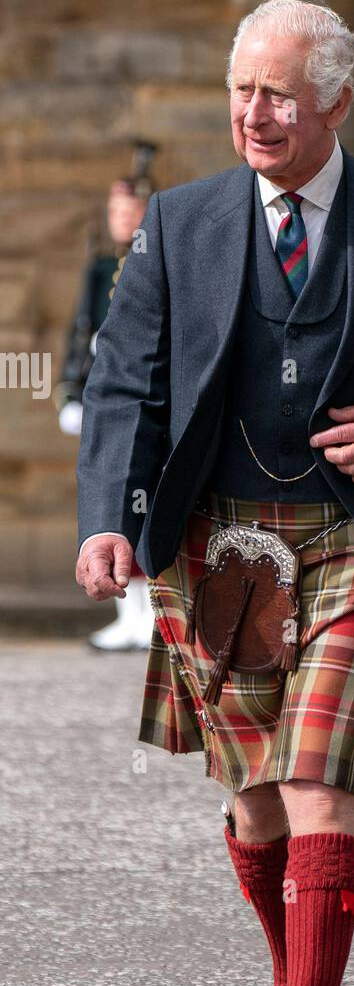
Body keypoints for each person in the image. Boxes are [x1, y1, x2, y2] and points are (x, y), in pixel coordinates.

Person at [75, 0, 354, 986]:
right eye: (242, 89)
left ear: (335, 100)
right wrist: (111, 515)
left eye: (280, 92)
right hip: (221, 543)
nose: (255, 111)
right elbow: (124, 384)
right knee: (256, 797)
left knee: (316, 773)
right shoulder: (179, 222)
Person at [57, 156, 157, 650]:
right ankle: (128, 613)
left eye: (131, 207)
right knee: (109, 500)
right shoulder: (101, 267)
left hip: (143, 400)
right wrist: (69, 394)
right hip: (104, 398)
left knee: (142, 500)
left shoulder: (157, 257)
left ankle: (151, 614)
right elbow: (78, 333)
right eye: (116, 208)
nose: (122, 217)